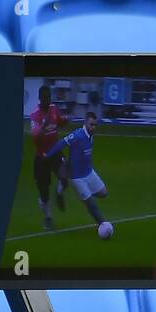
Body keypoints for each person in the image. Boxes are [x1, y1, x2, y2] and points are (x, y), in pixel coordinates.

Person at [45, 112, 109, 228]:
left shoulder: (91, 136)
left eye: (95, 125)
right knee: (91, 203)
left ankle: (85, 196)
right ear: (85, 123)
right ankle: (104, 225)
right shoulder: (77, 135)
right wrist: (47, 155)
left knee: (103, 193)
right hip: (77, 177)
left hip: (89, 172)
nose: (93, 127)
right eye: (91, 125)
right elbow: (62, 143)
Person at [29, 85, 68, 231]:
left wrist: (65, 119)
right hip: (42, 158)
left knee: (64, 177)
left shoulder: (54, 109)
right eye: (45, 98)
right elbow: (35, 138)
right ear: (40, 98)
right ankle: (48, 218)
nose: (48, 100)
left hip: (55, 153)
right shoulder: (35, 115)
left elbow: (61, 122)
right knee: (44, 192)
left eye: (49, 97)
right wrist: (43, 128)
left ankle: (59, 193)